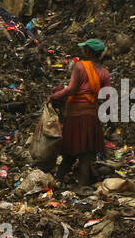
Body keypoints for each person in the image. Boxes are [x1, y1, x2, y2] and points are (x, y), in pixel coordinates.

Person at [48, 50, 112, 186]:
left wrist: (54, 96)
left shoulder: (80, 66)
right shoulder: (104, 73)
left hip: (75, 113)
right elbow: (108, 98)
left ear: (89, 52)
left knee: (70, 150)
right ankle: (82, 184)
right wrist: (110, 119)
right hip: (91, 115)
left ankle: (58, 181)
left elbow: (71, 89)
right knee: (87, 153)